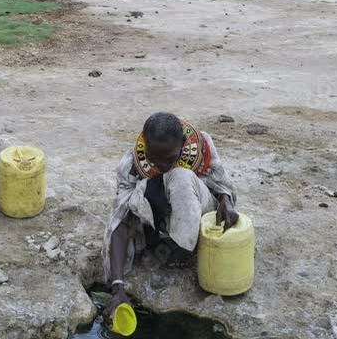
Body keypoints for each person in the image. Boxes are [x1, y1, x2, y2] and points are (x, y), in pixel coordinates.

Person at [102, 112, 238, 326]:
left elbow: (221, 183)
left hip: (197, 209)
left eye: (169, 158)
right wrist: (117, 287)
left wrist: (226, 200)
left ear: (183, 144)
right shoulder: (130, 165)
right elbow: (120, 219)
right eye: (153, 158)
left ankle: (183, 248)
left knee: (180, 176)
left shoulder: (201, 146)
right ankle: (163, 244)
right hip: (156, 221)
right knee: (141, 195)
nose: (162, 164)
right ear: (144, 145)